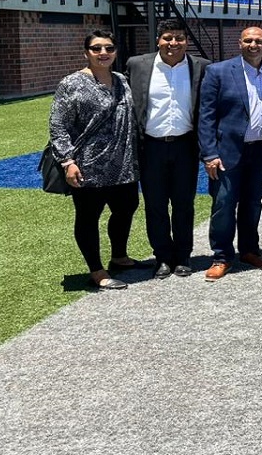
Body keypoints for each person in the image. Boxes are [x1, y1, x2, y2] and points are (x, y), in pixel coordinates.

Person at [48, 30, 139, 290]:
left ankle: (119, 256)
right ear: (86, 52)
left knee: (126, 208)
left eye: (109, 48)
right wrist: (68, 161)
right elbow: (58, 125)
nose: (103, 53)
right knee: (89, 216)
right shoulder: (71, 83)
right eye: (96, 48)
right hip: (88, 165)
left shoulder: (121, 80)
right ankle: (97, 270)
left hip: (123, 163)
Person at [197, 26, 262, 282]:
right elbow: (206, 116)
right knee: (223, 203)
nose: (254, 45)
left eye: (259, 41)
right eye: (249, 40)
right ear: (240, 43)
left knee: (252, 203)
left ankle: (249, 251)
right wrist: (209, 153)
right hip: (226, 152)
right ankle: (222, 256)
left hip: (261, 151)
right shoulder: (218, 71)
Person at [126, 18, 209, 279]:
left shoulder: (201, 67)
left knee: (184, 204)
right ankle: (162, 257)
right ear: (158, 40)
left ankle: (183, 256)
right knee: (155, 205)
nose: (173, 43)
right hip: (150, 146)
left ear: (186, 41)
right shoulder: (137, 65)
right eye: (168, 38)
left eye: (179, 38)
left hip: (186, 145)